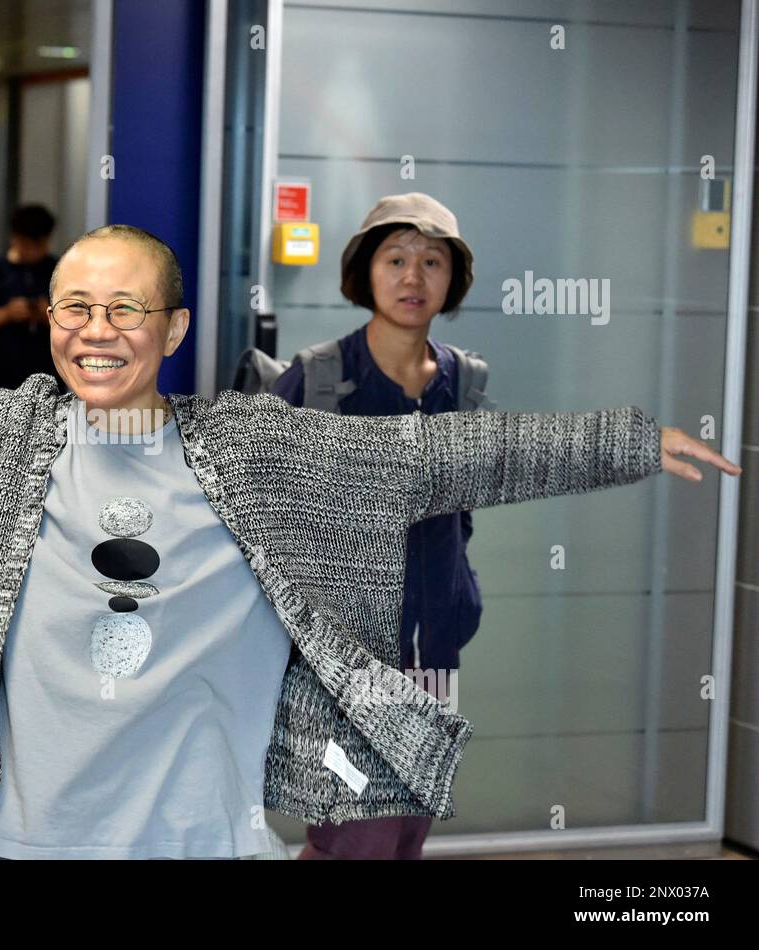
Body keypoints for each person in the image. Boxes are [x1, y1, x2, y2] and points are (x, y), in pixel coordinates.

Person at [0, 224, 739, 860]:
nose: (96, 328)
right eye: (75, 305)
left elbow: (440, 457)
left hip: (204, 841)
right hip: (28, 839)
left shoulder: (255, 449)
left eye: (126, 308)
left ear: (172, 328)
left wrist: (628, 440)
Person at [274, 192, 484, 859]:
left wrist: (459, 600)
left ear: (453, 279)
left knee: (402, 838)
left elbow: (462, 517)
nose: (413, 277)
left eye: (432, 261)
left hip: (434, 657)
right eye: (395, 259)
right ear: (366, 271)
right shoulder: (317, 380)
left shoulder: (465, 383)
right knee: (361, 835)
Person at [0, 204, 60, 389]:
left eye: (39, 246)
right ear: (14, 238)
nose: (32, 252)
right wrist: (7, 314)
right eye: (27, 245)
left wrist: (48, 315)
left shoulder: (59, 270)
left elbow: (77, 321)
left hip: (46, 376)